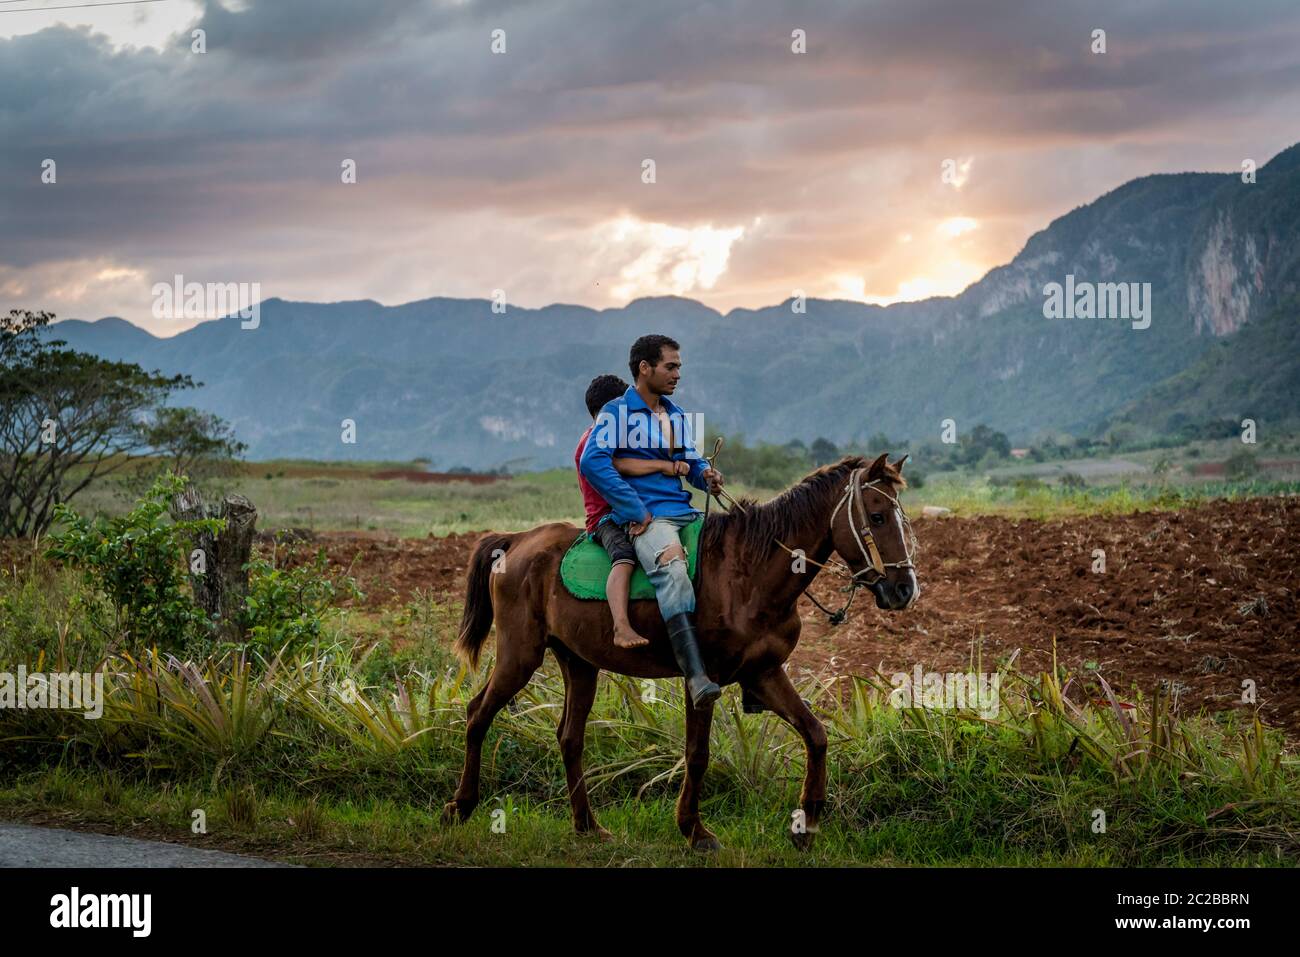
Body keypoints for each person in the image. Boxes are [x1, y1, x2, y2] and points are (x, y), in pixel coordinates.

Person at [578, 335, 725, 707]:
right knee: (672, 568)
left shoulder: (674, 414)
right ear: (645, 369)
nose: (677, 374)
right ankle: (696, 676)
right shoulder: (615, 412)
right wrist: (634, 510)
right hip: (650, 517)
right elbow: (593, 462)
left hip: (684, 509)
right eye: (670, 366)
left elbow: (688, 460)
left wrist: (704, 473)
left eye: (679, 367)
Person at [576, 374, 691, 650]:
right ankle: (621, 626)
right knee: (625, 557)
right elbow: (615, 473)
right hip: (605, 518)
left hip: (625, 512)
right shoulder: (595, 442)